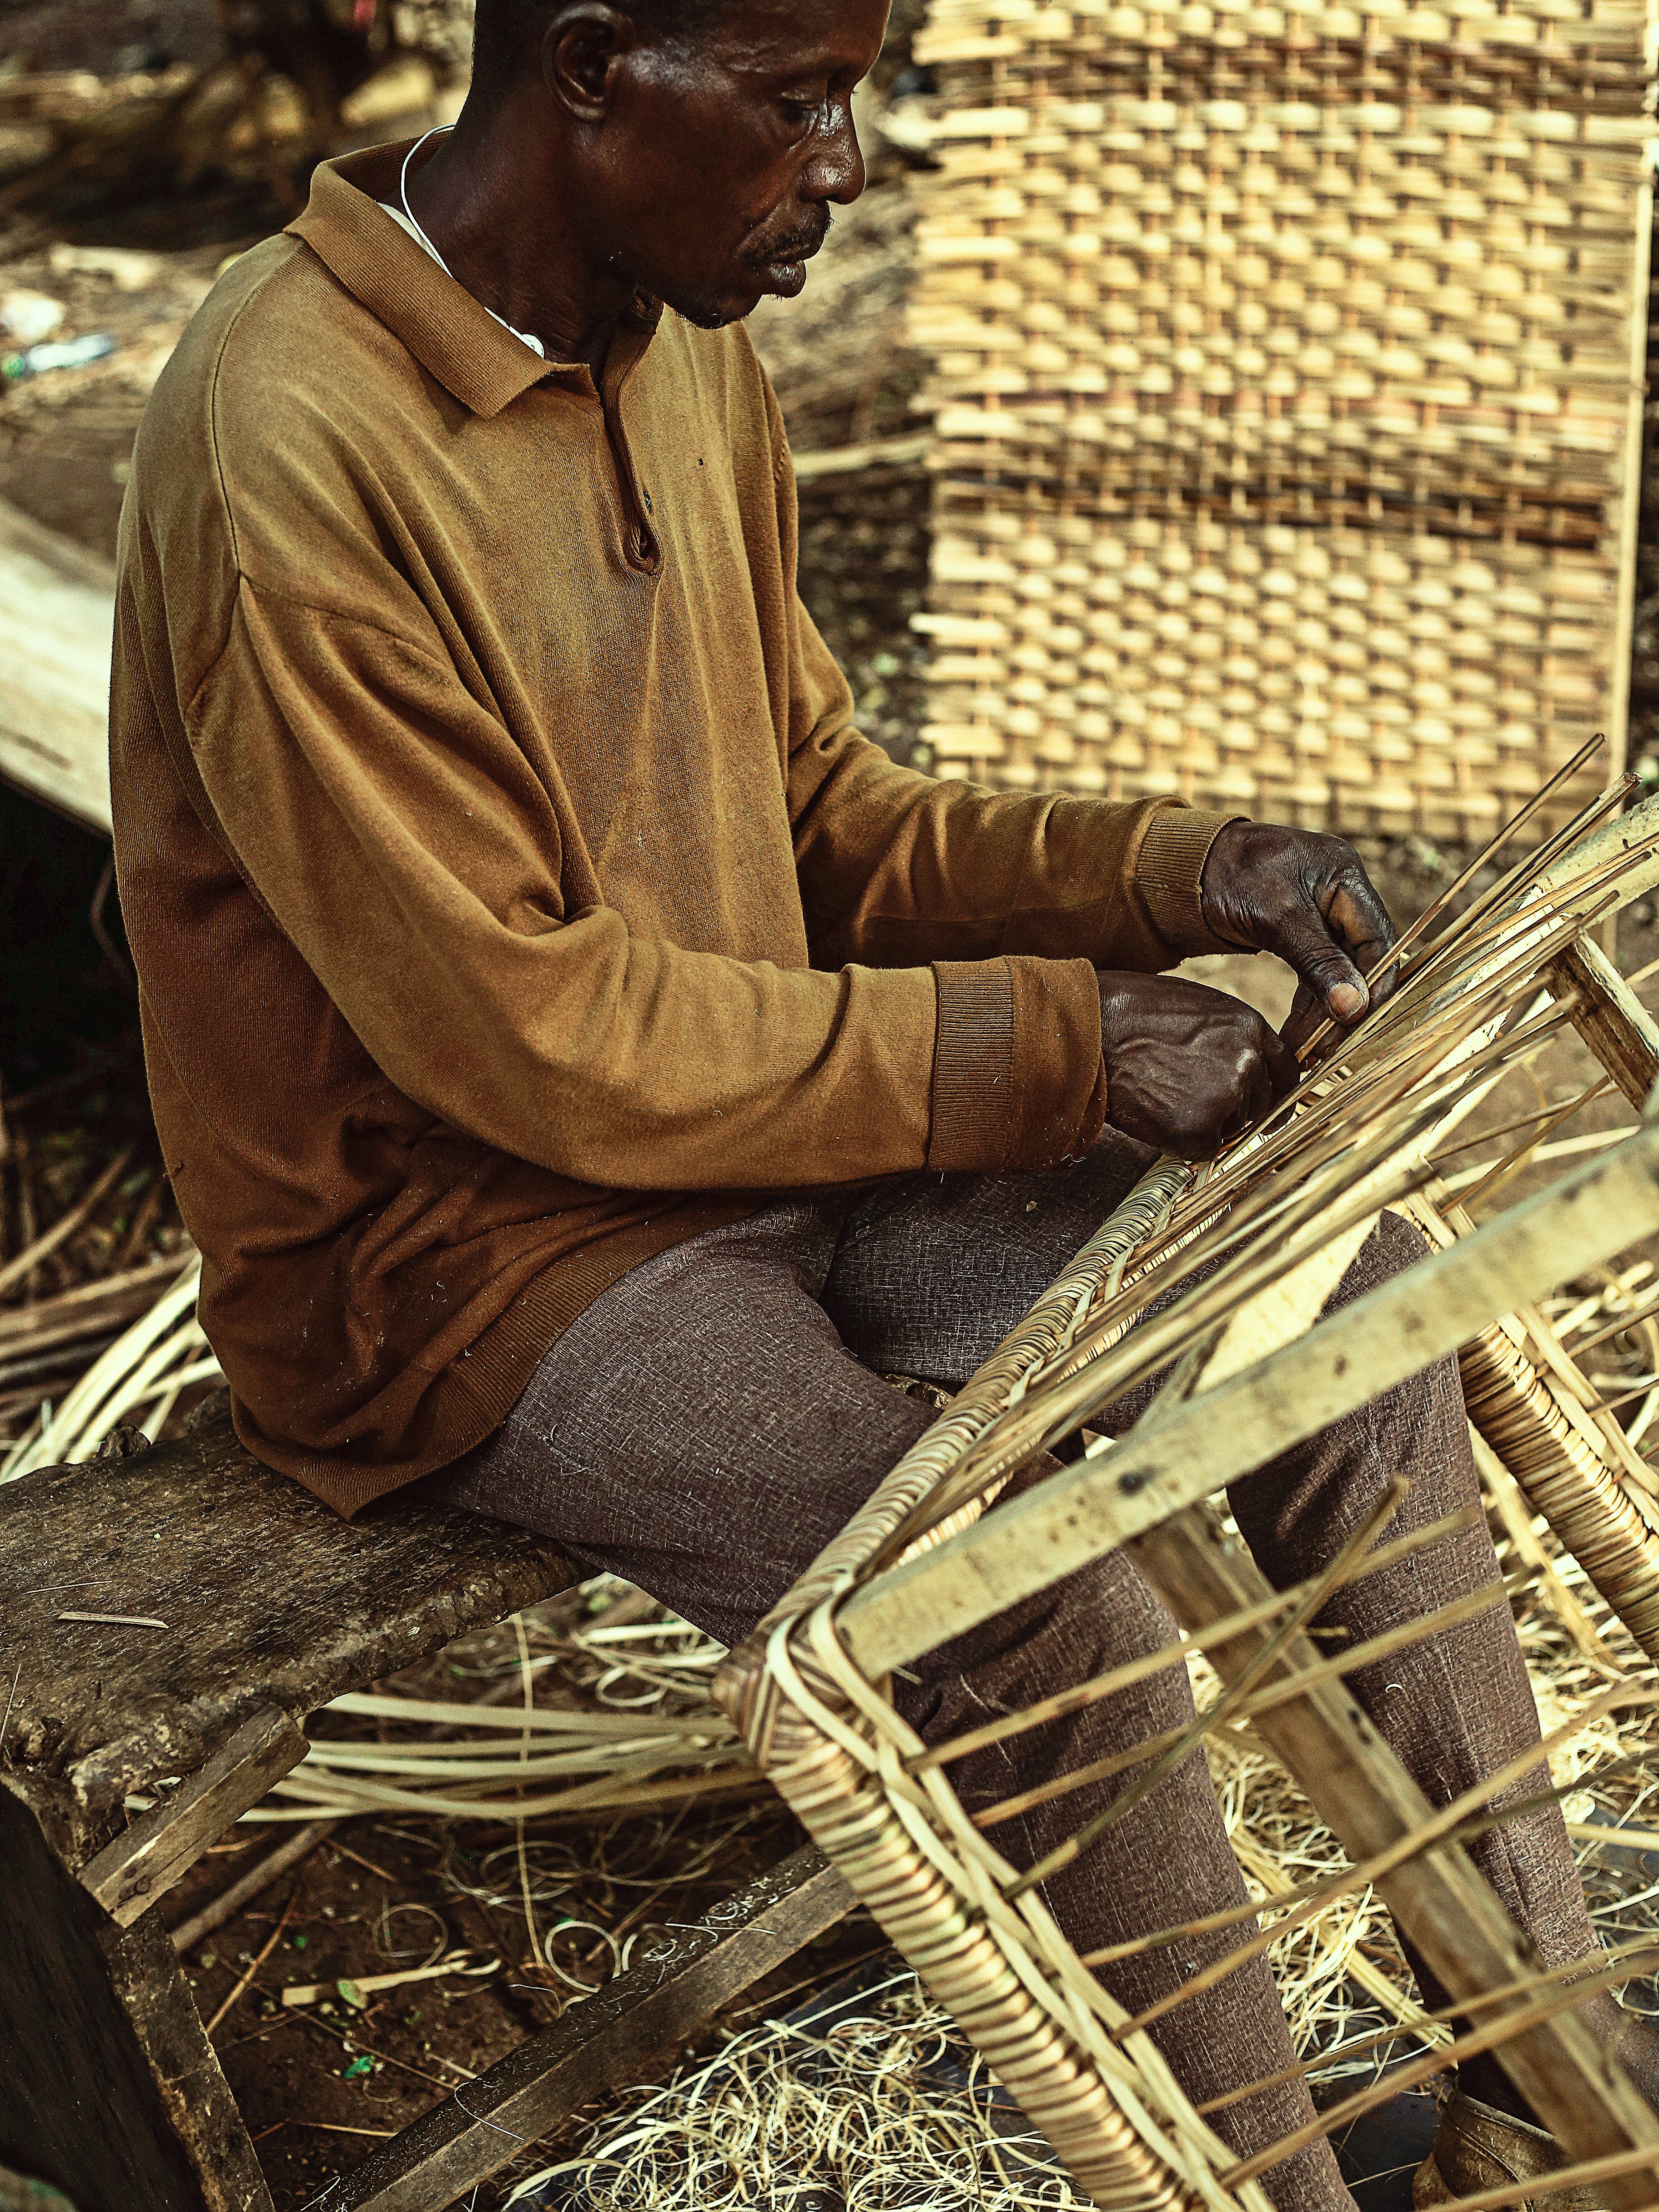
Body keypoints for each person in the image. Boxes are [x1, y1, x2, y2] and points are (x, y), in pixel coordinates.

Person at [108, 1, 1656, 2203]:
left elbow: (823, 812)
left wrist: (1166, 870)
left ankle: (1565, 2113)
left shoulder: (675, 328)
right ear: (591, 72)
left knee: (1345, 1302)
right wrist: (1062, 1042)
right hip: (464, 1263)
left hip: (757, 1123)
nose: (852, 162)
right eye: (803, 98)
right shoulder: (289, 436)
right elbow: (523, 1036)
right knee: (1028, 1610)